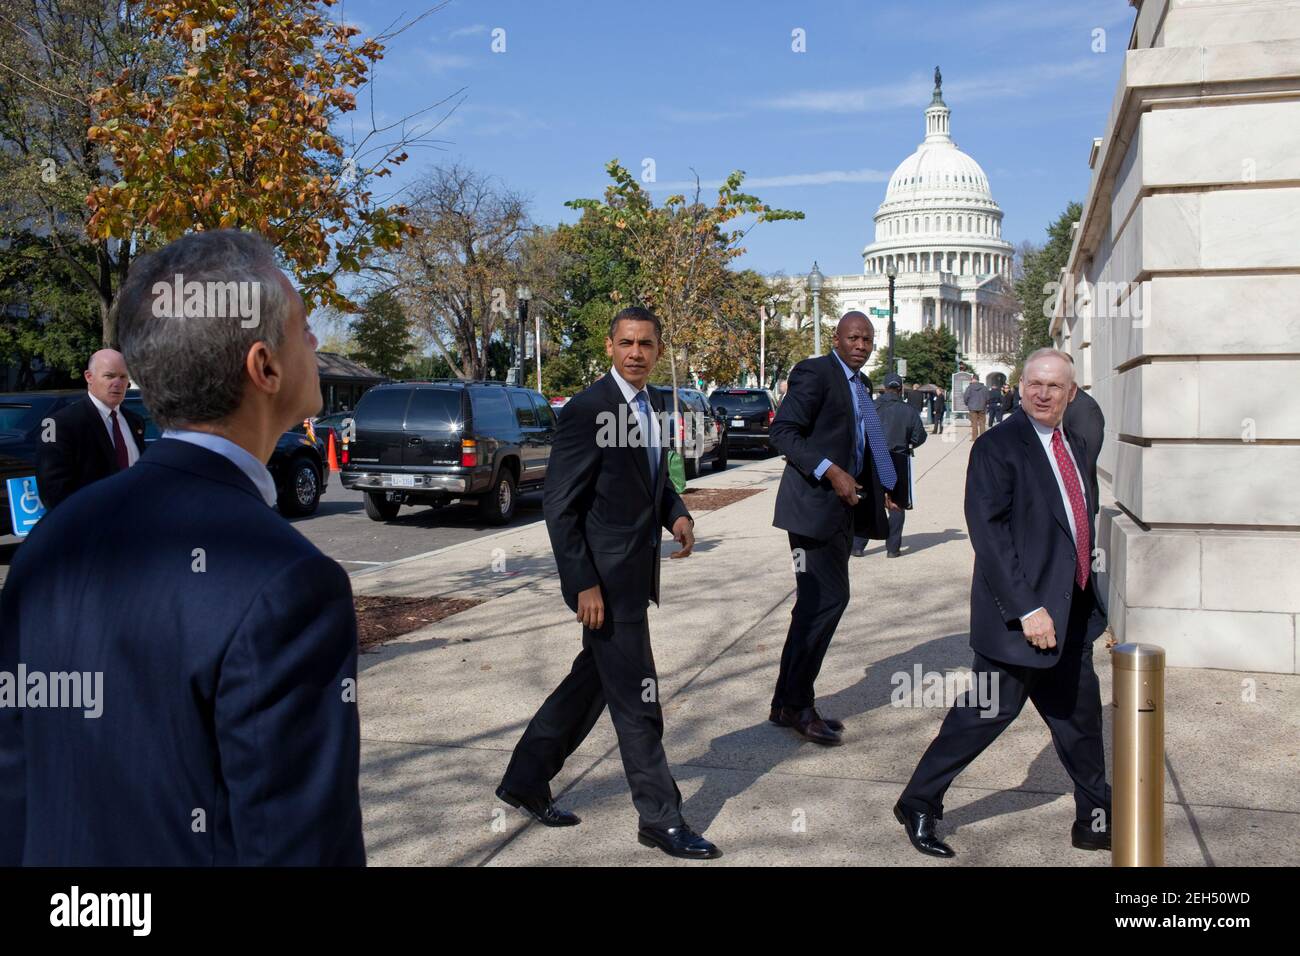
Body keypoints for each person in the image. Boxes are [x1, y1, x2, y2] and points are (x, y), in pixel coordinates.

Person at [0, 230, 364, 866]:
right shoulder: (292, 583)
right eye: (304, 326)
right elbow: (297, 848)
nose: (315, 343)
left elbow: (17, 780)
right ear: (265, 367)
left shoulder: (49, 543)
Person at [497, 306, 718, 861]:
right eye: (626, 342)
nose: (636, 352)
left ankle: (526, 778)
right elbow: (559, 505)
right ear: (609, 346)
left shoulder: (650, 406)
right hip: (604, 585)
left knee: (590, 685)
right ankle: (660, 818)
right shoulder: (588, 409)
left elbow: (650, 478)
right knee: (638, 701)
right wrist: (584, 585)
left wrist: (679, 514)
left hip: (632, 575)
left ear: (658, 349)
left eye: (646, 343)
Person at [895, 348, 1111, 859]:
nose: (1042, 393)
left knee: (1080, 722)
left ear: (1071, 394)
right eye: (1034, 383)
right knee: (985, 715)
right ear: (1020, 386)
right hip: (1021, 617)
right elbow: (989, 537)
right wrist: (1028, 609)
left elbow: (1079, 520)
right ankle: (919, 800)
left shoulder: (1076, 444)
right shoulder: (997, 447)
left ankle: (1095, 817)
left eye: (1054, 387)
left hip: (1073, 609)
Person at [767, 311, 899, 746]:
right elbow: (784, 434)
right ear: (837, 339)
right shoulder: (815, 373)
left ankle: (785, 701)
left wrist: (885, 487)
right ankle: (799, 706)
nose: (861, 345)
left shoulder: (861, 385)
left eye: (867, 339)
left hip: (844, 511)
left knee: (811, 605)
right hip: (812, 510)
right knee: (827, 600)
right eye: (853, 337)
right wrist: (832, 472)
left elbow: (863, 443)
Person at [35, 349, 146, 510]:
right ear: (89, 377)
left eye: (123, 377)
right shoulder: (59, 423)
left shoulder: (134, 421)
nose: (117, 383)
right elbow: (53, 491)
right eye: (109, 376)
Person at [855, 373, 926, 557]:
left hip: (874, 456)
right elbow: (919, 436)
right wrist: (907, 443)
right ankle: (893, 549)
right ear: (901, 389)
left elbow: (859, 432)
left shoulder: (872, 408)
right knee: (896, 503)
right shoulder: (908, 410)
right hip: (898, 457)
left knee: (869, 500)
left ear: (884, 388)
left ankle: (858, 545)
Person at [963, 374, 989, 438]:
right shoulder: (984, 388)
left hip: (972, 407)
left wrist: (967, 404)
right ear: (978, 379)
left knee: (974, 423)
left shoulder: (969, 388)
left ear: (973, 379)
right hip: (982, 407)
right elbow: (988, 398)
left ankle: (974, 437)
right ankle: (983, 437)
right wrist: (985, 404)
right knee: (982, 423)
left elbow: (966, 397)